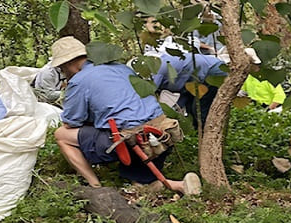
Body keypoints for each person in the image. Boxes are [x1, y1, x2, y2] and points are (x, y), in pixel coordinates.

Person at [48, 36, 201, 194]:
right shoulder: (121, 68)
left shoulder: (79, 81)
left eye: (62, 69)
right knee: (143, 183)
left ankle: (95, 186)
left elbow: (70, 123)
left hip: (131, 142)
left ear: (67, 64)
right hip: (162, 134)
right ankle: (178, 185)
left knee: (61, 135)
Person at [152, 52, 228, 127]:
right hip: (195, 79)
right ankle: (198, 133)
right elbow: (182, 94)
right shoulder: (164, 68)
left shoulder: (158, 69)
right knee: (190, 110)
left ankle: (209, 133)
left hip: (211, 72)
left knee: (199, 109)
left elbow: (148, 96)